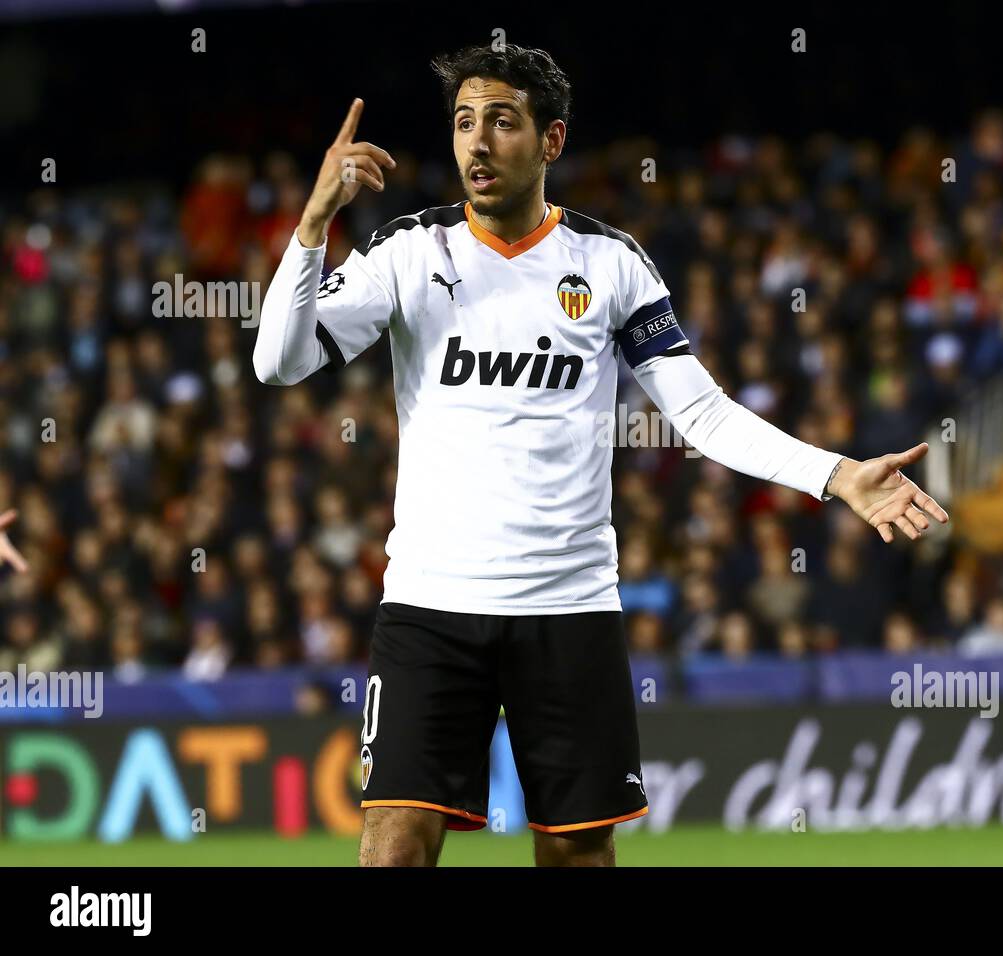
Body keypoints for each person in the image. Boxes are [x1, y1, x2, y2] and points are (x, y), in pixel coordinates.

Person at [252, 44, 948, 867]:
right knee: (393, 848)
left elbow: (702, 414)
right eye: (464, 123)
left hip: (570, 606)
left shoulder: (610, 264)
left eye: (501, 122)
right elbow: (279, 362)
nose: (476, 143)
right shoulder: (410, 252)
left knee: (579, 855)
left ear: (551, 141)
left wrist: (835, 475)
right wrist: (311, 227)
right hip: (431, 604)